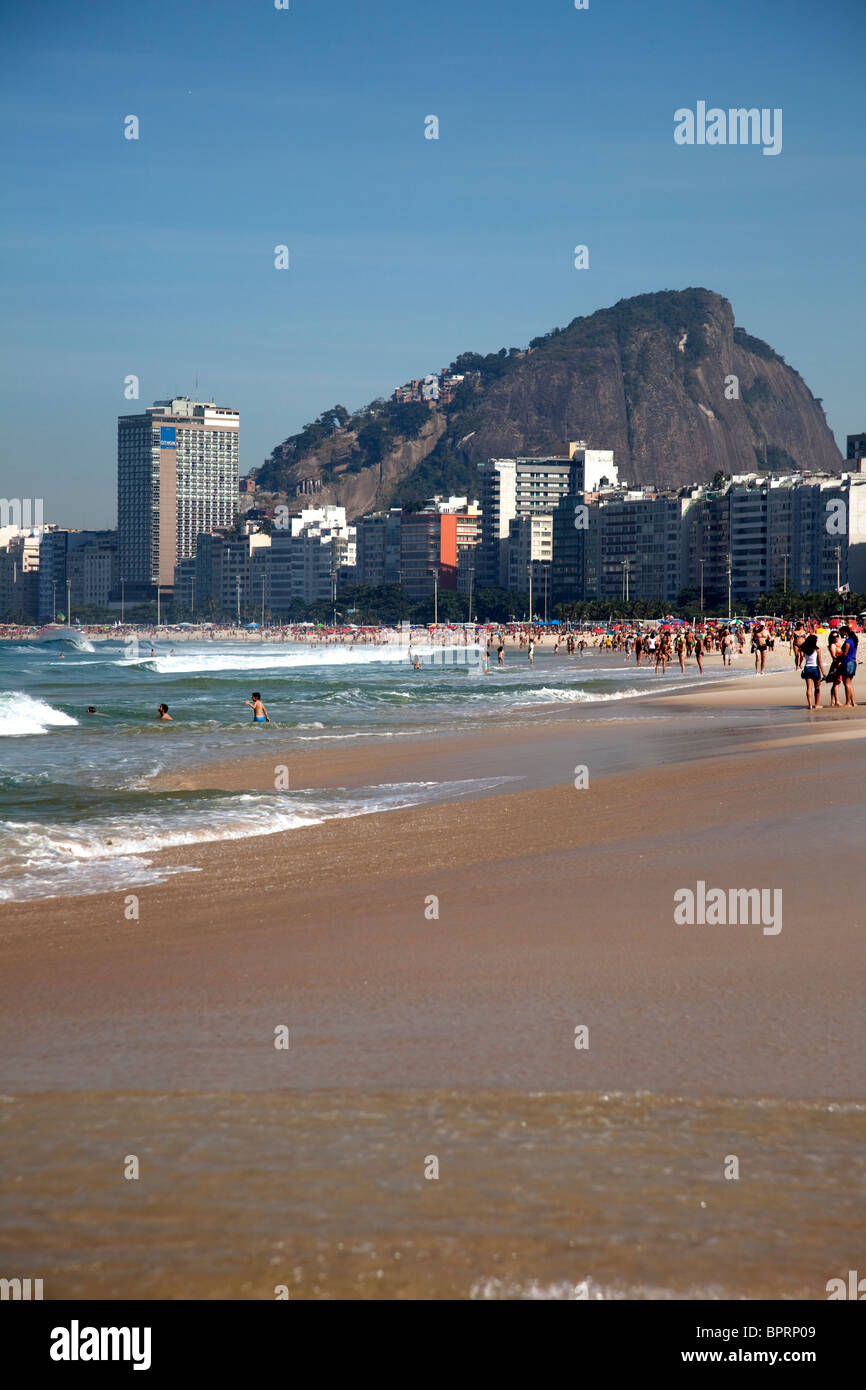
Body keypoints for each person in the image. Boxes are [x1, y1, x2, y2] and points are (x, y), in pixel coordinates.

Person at [800, 634, 824, 710]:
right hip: (815, 668)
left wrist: (800, 664)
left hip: (807, 668)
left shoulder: (805, 649)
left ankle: (810, 705)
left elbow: (803, 657)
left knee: (809, 688)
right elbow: (820, 662)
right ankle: (816, 704)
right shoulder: (817, 650)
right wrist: (823, 672)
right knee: (817, 688)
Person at [839, 626, 858, 707]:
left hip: (848, 662)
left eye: (841, 632)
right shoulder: (854, 641)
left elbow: (845, 654)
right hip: (853, 662)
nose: (840, 633)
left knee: (846, 683)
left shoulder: (848, 641)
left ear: (845, 632)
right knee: (849, 683)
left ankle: (848, 702)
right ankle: (853, 702)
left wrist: (838, 658)